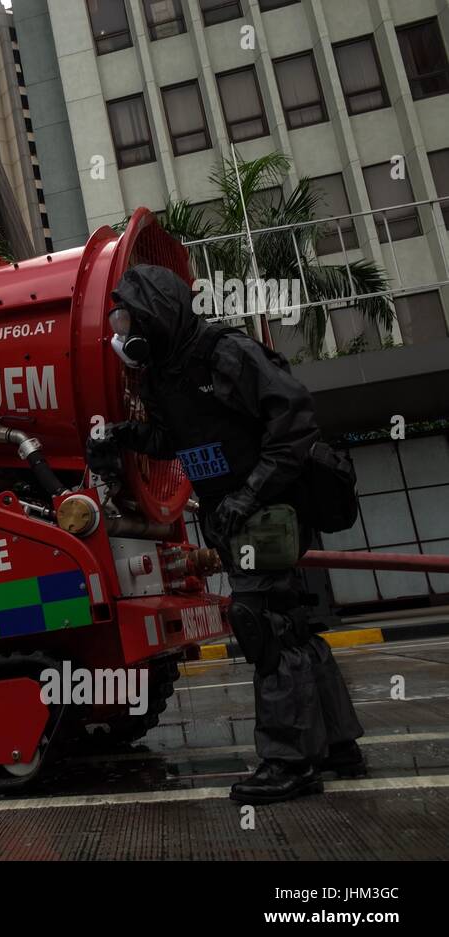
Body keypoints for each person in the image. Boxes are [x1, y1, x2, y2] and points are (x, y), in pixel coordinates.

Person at [87, 264, 365, 804]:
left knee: (260, 622)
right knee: (290, 624)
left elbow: (295, 422)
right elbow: (172, 441)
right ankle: (335, 745)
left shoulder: (225, 352)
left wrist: (251, 492)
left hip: (267, 506)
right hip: (234, 513)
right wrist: (124, 437)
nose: (121, 332)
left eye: (128, 318)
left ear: (158, 315)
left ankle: (289, 762)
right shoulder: (163, 373)